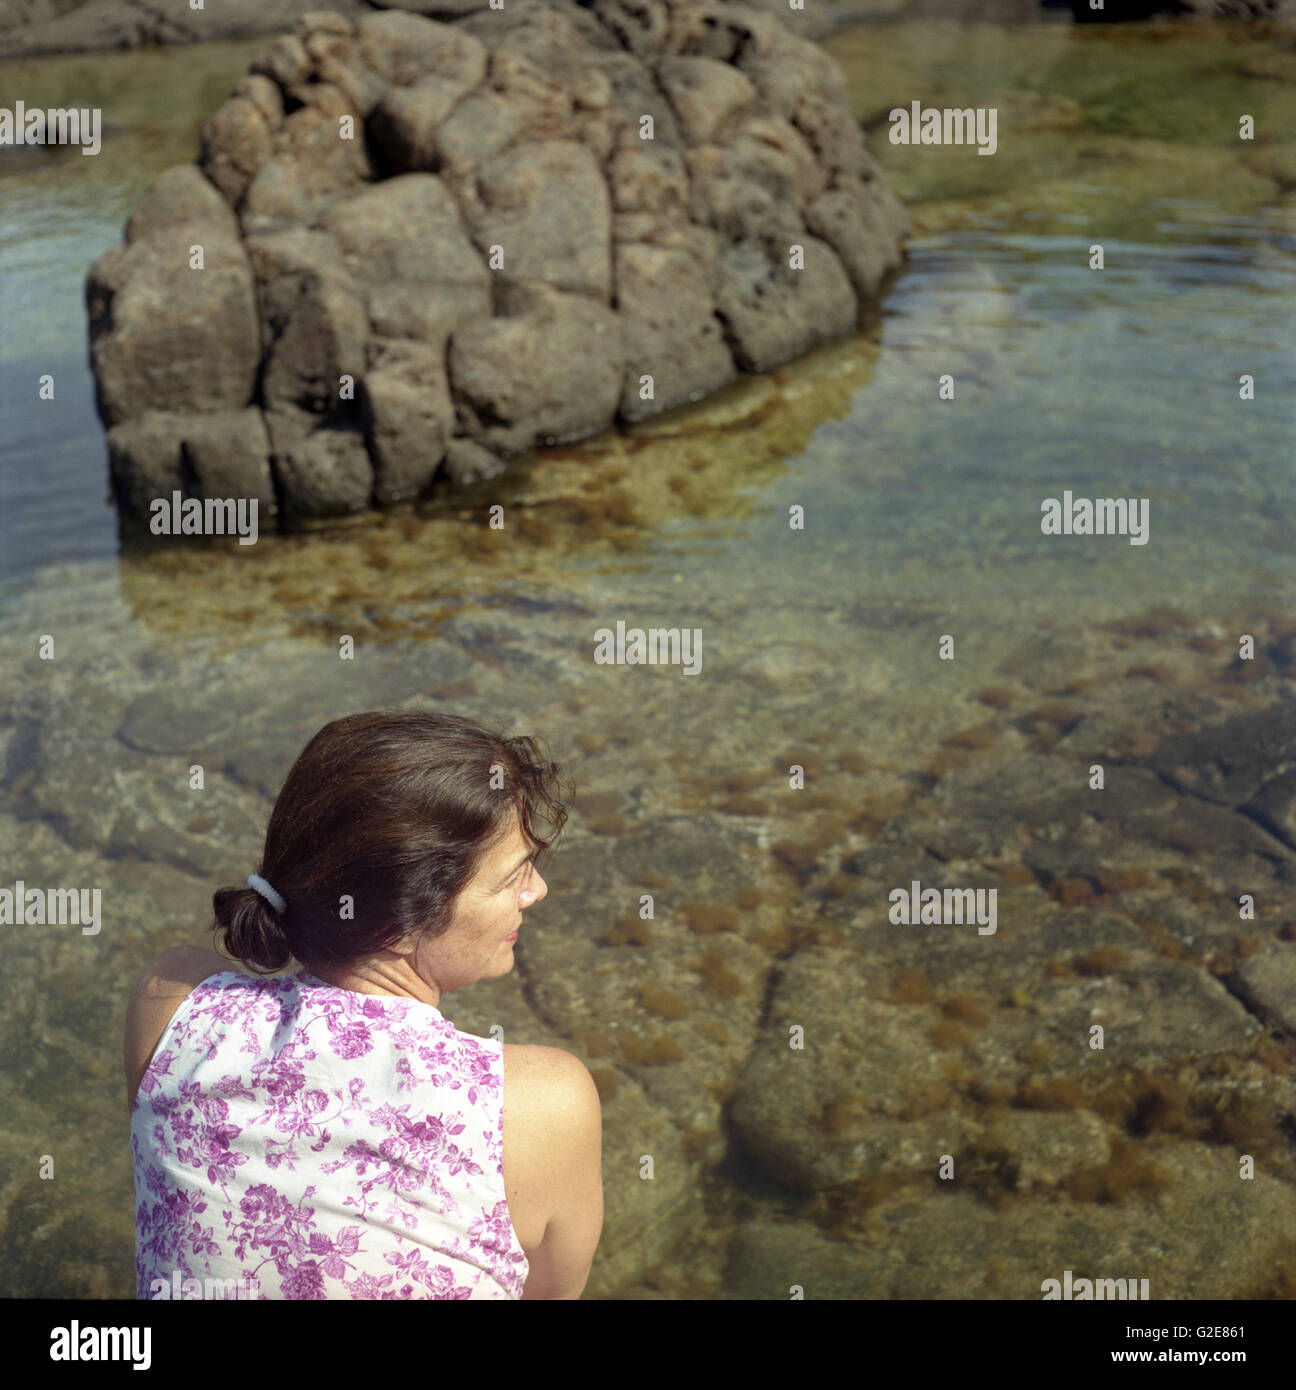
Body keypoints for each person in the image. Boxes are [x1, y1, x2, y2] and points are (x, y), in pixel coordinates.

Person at [124, 709, 603, 1300]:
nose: (537, 890)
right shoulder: (544, 1105)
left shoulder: (174, 1002)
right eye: (511, 877)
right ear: (406, 918)